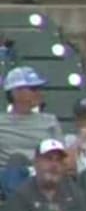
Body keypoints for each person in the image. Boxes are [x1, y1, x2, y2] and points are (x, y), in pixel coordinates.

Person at [0, 65, 61, 194]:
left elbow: (61, 155)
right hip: (9, 176)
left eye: (39, 88)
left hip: (43, 173)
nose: (39, 93)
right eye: (33, 89)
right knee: (17, 159)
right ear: (15, 93)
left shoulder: (49, 120)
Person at [6, 137, 86, 211]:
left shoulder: (74, 193)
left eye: (59, 160)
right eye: (49, 159)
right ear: (35, 163)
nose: (54, 165)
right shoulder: (21, 195)